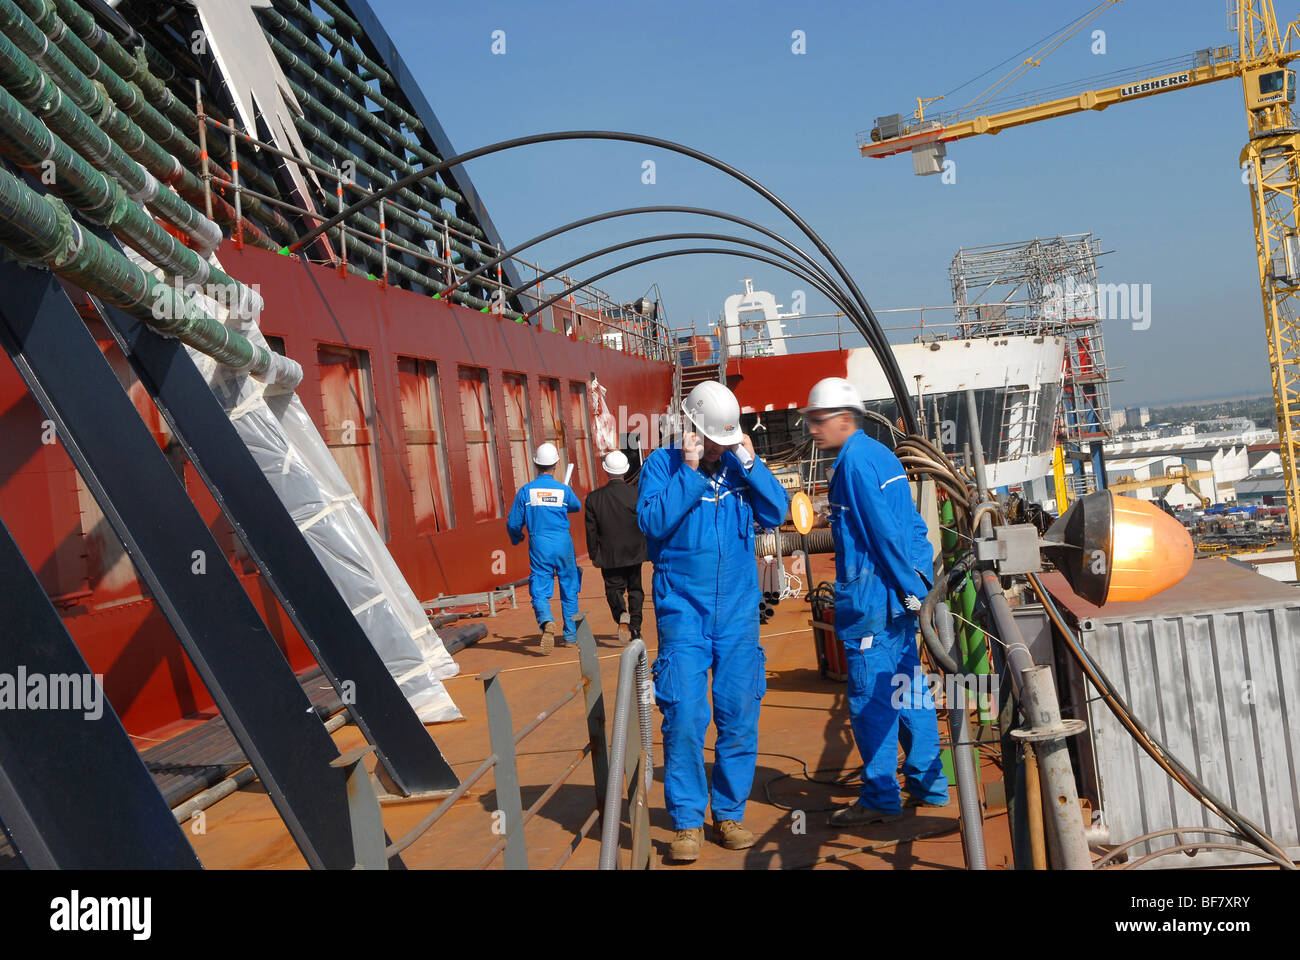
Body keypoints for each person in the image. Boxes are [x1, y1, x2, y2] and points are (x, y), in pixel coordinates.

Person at [638, 381, 789, 862]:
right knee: (684, 713)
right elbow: (652, 524)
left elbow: (777, 511)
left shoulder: (738, 469)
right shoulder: (662, 466)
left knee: (739, 710)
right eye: (717, 441)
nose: (723, 447)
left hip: (739, 613)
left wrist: (749, 462)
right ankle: (686, 823)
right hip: (683, 608)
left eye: (729, 440)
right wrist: (687, 470)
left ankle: (728, 813)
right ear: (693, 430)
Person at [802, 376, 950, 826]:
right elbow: (913, 531)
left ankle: (881, 796)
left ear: (844, 419)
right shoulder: (881, 456)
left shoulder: (853, 466)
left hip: (874, 606)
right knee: (908, 691)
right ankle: (931, 786)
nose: (811, 429)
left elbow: (884, 537)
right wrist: (918, 586)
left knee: (871, 700)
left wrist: (907, 589)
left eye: (817, 420)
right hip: (896, 603)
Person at [506, 442, 582, 654]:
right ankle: (570, 637)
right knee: (569, 588)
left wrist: (516, 537)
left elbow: (513, 523)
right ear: (556, 464)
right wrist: (565, 494)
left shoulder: (526, 491)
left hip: (539, 543)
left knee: (539, 587)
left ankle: (547, 620)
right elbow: (576, 506)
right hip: (563, 543)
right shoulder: (564, 491)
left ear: (535, 464)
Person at [584, 450, 647, 644]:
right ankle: (636, 628)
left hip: (609, 554)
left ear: (606, 470)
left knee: (613, 589)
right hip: (635, 551)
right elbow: (645, 522)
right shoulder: (636, 494)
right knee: (635, 589)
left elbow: (591, 530)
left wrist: (594, 554)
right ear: (626, 470)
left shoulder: (594, 498)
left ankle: (621, 614)